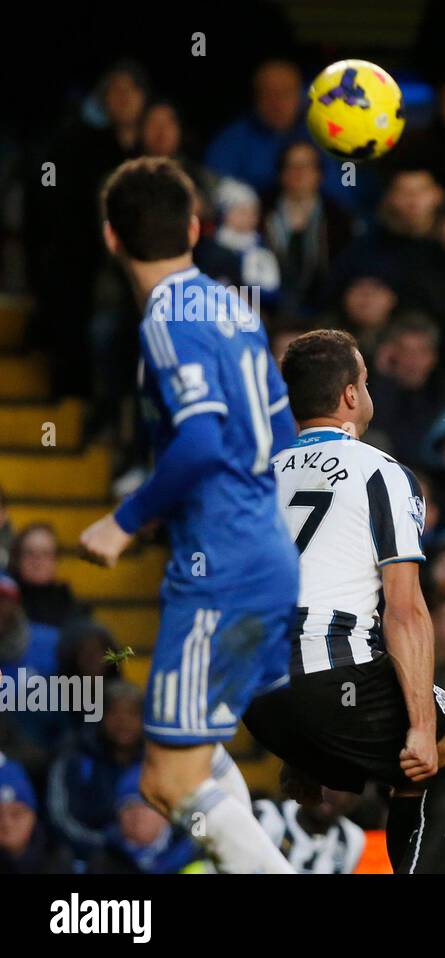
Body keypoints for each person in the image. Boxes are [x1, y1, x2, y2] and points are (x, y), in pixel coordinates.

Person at [78, 156, 300, 874]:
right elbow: (284, 435)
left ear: (111, 239)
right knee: (195, 763)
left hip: (221, 570)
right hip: (268, 553)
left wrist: (127, 517)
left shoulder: (168, 317)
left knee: (165, 781)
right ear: (197, 229)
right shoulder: (231, 305)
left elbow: (202, 438)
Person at [241, 329, 445, 874]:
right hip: (333, 676)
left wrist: (298, 748)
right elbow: (404, 610)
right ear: (351, 397)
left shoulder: (254, 476)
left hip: (258, 695)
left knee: (409, 774)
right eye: (365, 379)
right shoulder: (382, 472)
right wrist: (424, 727)